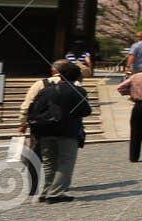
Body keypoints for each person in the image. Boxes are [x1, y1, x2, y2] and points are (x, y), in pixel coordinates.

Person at [18, 59, 92, 202]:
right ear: (77, 77)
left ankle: (45, 191)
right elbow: (86, 111)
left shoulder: (45, 89)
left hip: (45, 130)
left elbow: (31, 107)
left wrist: (23, 122)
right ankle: (56, 193)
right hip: (67, 131)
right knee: (66, 161)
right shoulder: (78, 90)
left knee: (49, 162)